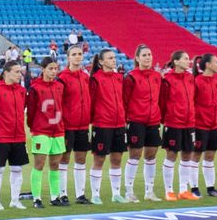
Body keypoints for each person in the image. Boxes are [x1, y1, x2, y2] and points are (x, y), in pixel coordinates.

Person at [0, 59, 29, 210]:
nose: (20, 75)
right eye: (16, 72)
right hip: (1, 136)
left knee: (17, 169)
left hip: (19, 136)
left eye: (20, 71)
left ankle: (15, 200)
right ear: (6, 73)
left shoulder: (22, 91)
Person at [122, 44, 164, 203]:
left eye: (149, 54)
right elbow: (125, 100)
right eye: (144, 55)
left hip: (153, 120)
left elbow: (160, 98)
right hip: (136, 120)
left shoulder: (157, 76)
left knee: (151, 155)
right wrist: (127, 120)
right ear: (137, 58)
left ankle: (149, 191)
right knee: (134, 155)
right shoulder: (131, 77)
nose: (148, 57)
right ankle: (129, 191)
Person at [88, 48, 128, 205]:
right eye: (110, 58)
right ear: (101, 61)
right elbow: (91, 101)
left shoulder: (119, 78)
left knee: (117, 159)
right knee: (99, 159)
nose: (114, 60)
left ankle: (116, 194)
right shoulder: (95, 79)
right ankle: (95, 194)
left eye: (114, 57)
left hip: (119, 124)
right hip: (102, 124)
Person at [26, 57, 67, 208]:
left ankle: (54, 197)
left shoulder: (60, 86)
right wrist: (34, 128)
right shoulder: (35, 88)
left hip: (58, 130)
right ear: (43, 69)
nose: (54, 71)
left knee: (55, 164)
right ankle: (36, 198)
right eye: (50, 68)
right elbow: (30, 112)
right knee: (39, 164)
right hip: (41, 130)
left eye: (56, 68)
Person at [158, 51, 199, 201]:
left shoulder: (190, 78)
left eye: (189, 58)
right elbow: (162, 102)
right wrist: (167, 119)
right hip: (173, 122)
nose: (189, 61)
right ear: (176, 61)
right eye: (185, 58)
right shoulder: (167, 80)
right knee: (171, 155)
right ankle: (169, 191)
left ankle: (183, 190)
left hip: (189, 123)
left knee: (187, 154)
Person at [58, 45, 93, 204]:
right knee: (64, 159)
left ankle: (80, 195)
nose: (78, 57)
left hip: (83, 125)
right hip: (67, 125)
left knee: (81, 159)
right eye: (74, 54)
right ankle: (62, 194)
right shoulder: (62, 78)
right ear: (68, 57)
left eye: (80, 54)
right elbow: (58, 103)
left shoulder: (85, 77)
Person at [192, 54, 217, 197]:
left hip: (213, 125)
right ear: (208, 65)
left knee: (210, 156)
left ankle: (211, 188)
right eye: (216, 62)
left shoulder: (216, 82)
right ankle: (194, 188)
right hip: (199, 124)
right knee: (196, 156)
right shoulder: (197, 81)